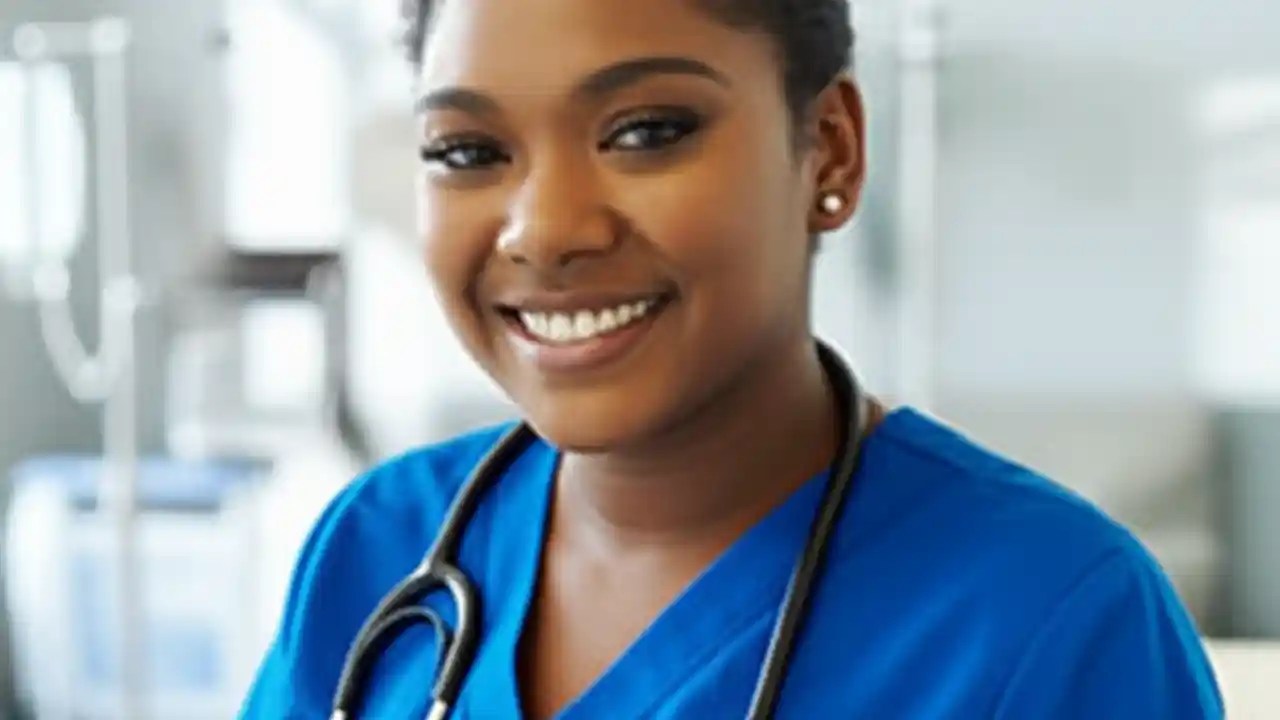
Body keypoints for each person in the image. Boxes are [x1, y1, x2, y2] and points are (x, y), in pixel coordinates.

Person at [240, 0, 1223, 717]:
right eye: (465, 151)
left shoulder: (1047, 617)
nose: (543, 231)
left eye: (644, 133)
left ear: (829, 152)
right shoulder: (376, 548)